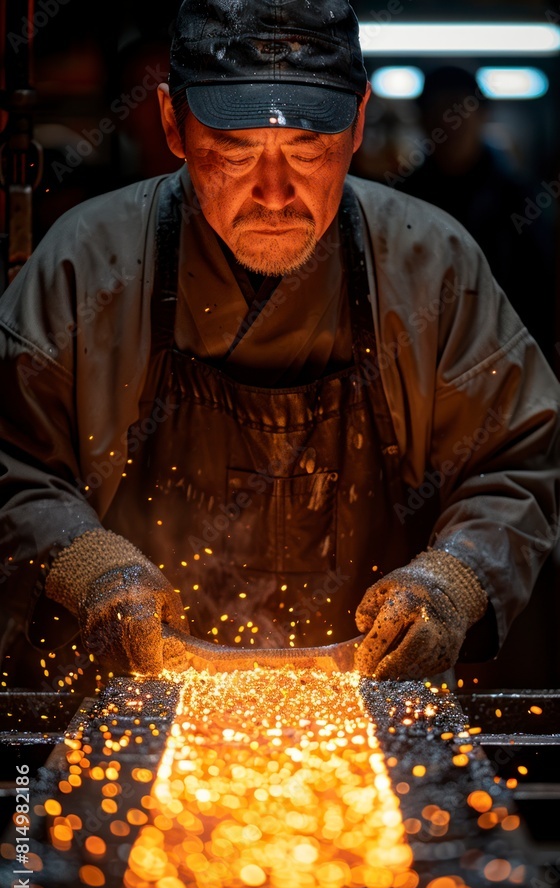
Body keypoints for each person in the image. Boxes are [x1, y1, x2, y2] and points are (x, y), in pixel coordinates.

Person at [0, 0, 559, 687]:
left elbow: (520, 462)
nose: (274, 193)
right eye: (234, 150)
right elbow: (12, 462)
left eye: (307, 150)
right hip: (132, 698)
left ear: (357, 124)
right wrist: (85, 564)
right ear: (173, 124)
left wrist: (454, 579)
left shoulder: (432, 267)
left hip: (369, 697)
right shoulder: (87, 266)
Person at [398, 66, 557, 367]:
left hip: (508, 361)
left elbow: (541, 291)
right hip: (423, 361)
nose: (451, 120)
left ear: (483, 115)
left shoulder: (519, 200)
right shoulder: (402, 200)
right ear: (422, 120)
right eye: (439, 108)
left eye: (460, 107)